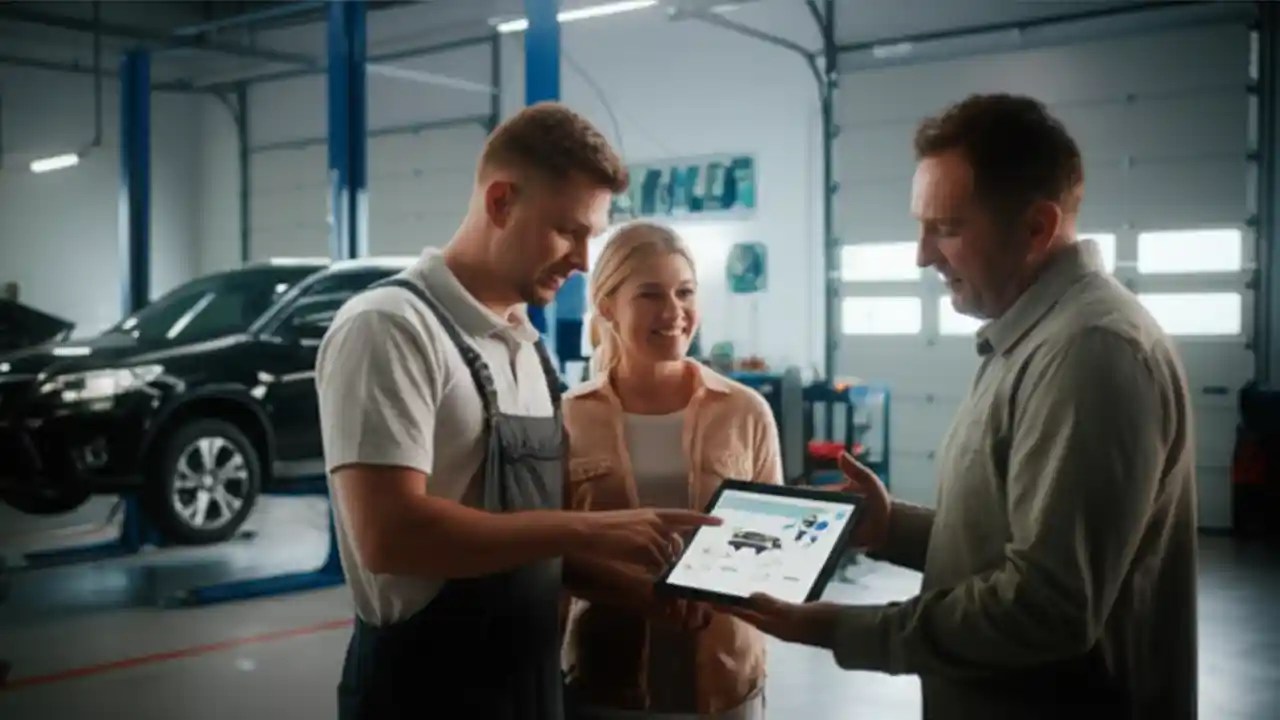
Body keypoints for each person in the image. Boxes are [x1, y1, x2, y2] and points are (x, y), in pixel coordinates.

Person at [728, 93, 1198, 719]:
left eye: (946, 228)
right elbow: (1009, 544)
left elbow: (1046, 608)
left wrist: (845, 629)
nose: (922, 255)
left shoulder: (1089, 351)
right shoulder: (1031, 336)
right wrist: (890, 528)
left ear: (1036, 228)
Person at [316, 103, 721, 720]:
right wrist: (590, 528)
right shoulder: (392, 328)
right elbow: (389, 536)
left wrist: (636, 593)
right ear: (501, 202)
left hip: (528, 686)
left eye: (592, 236)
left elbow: (525, 549)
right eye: (568, 231)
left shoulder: (527, 345)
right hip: (424, 695)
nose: (583, 260)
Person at [559, 222, 783, 719]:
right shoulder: (567, 418)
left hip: (725, 676)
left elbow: (773, 541)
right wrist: (633, 590)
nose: (674, 311)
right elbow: (547, 551)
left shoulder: (744, 411)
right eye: (650, 295)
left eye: (685, 292)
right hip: (605, 678)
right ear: (607, 306)